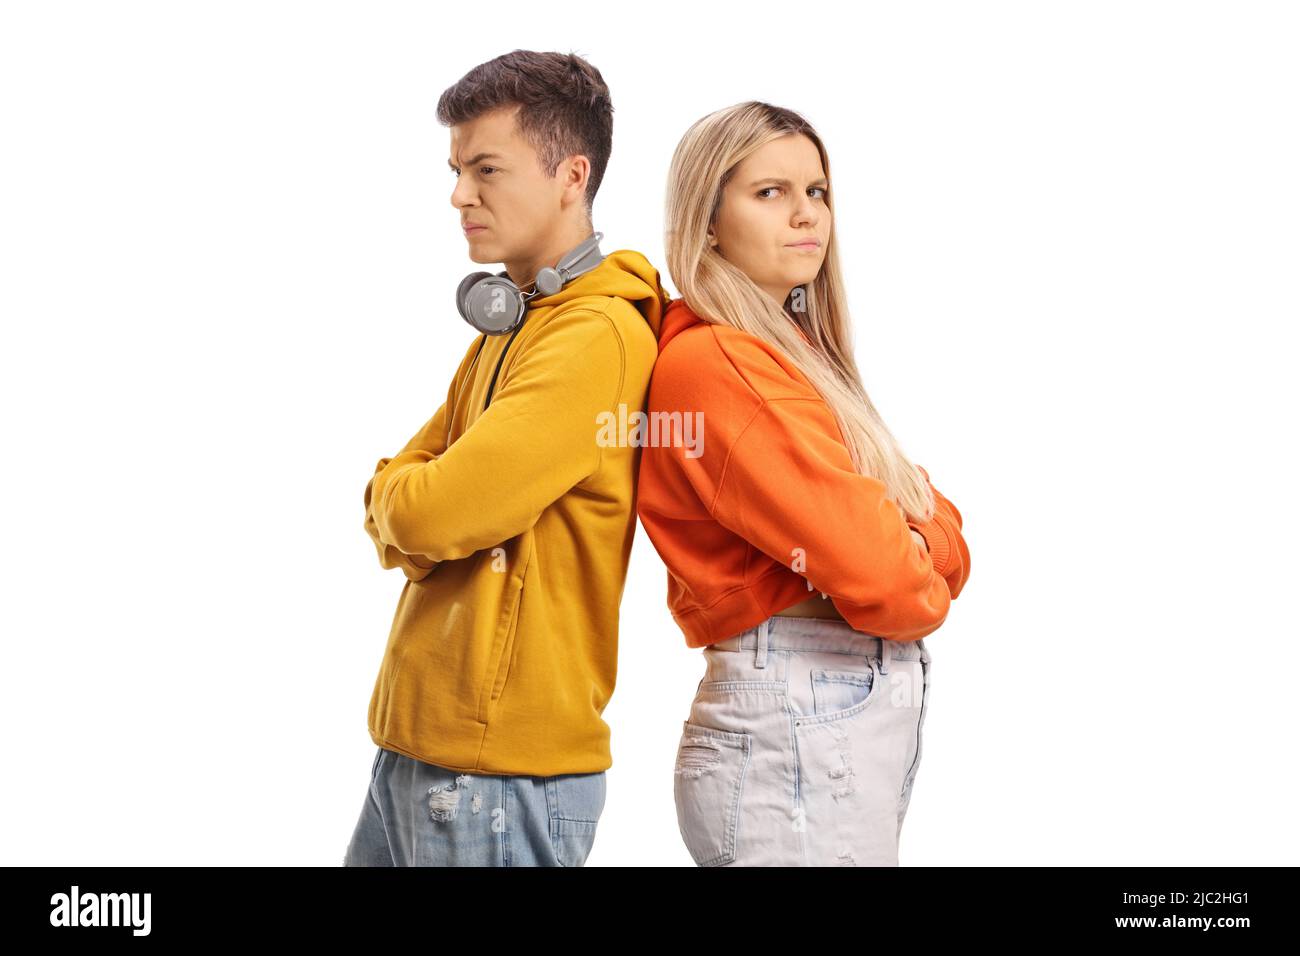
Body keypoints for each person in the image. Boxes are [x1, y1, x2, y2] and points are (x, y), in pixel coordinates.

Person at [344, 50, 669, 867]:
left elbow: (428, 507)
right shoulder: (520, 321)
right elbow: (405, 487)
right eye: (456, 170)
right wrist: (405, 507)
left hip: (496, 774)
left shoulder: (592, 336)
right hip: (424, 748)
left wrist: (406, 513)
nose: (459, 195)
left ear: (571, 174)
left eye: (486, 168)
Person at [636, 101, 972, 866]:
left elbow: (936, 534)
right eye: (770, 192)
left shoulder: (788, 354)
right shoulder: (720, 363)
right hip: (795, 725)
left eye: (817, 191)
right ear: (707, 220)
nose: (805, 215)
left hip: (814, 723)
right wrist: (912, 538)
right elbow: (893, 579)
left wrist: (915, 535)